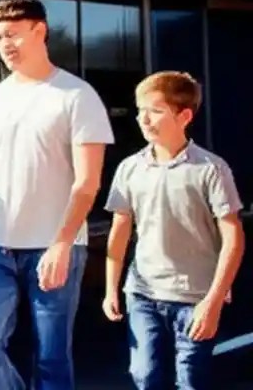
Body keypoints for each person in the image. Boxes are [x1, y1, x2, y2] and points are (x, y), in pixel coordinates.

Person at [0, 0, 115, 390]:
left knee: (51, 358)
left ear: (40, 31)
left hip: (55, 246)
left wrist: (62, 243)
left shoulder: (77, 96)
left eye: (14, 34)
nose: (6, 45)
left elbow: (87, 181)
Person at [102, 71, 245, 390]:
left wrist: (214, 299)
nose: (144, 119)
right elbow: (120, 231)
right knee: (144, 375)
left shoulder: (211, 169)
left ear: (184, 116)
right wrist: (112, 288)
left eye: (155, 111)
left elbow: (233, 236)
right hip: (143, 293)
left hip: (195, 296)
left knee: (191, 380)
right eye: (140, 111)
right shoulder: (129, 168)